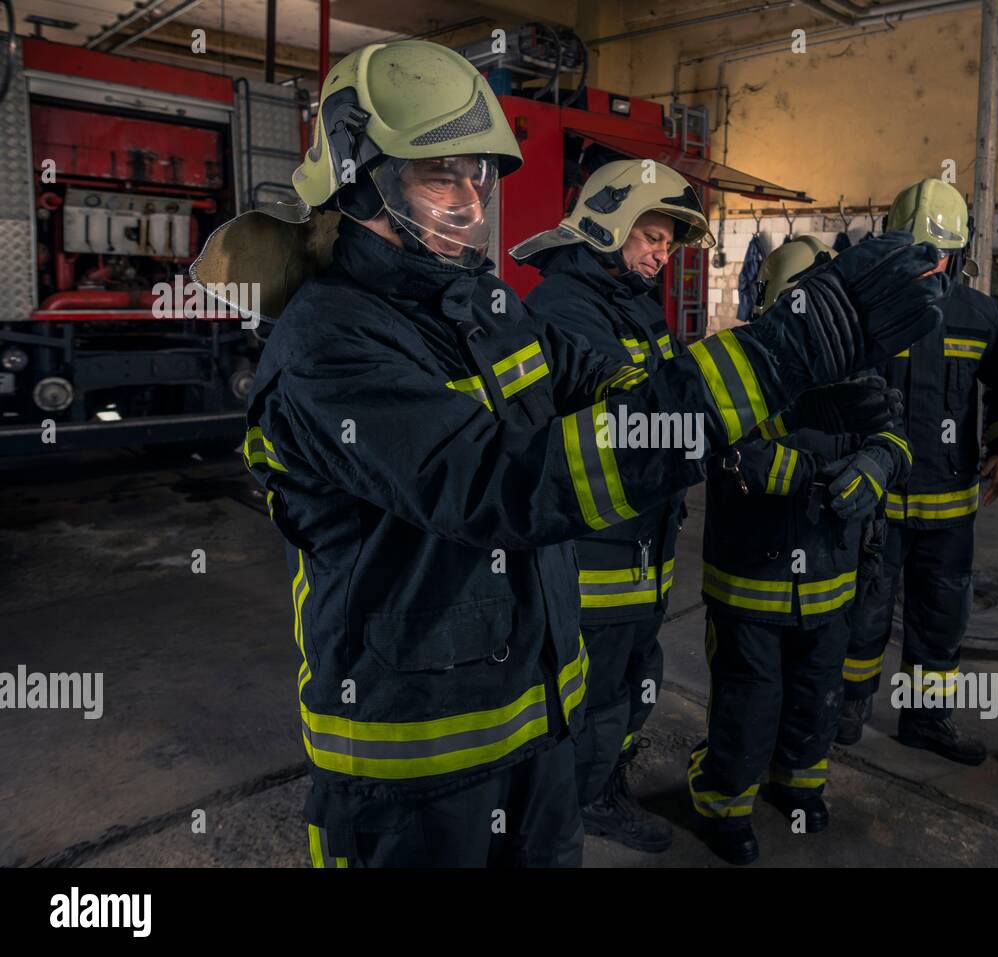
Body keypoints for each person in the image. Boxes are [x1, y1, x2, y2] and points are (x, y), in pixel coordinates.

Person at [236, 39, 949, 866]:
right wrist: (779, 355)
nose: (470, 200)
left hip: (538, 724)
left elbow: (615, 389)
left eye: (479, 176)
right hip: (416, 765)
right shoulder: (330, 342)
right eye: (441, 176)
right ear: (358, 179)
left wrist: (789, 382)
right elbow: (507, 482)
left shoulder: (485, 302)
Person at [687, 236, 912, 865]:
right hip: (748, 581)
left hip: (830, 581)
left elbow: (899, 438)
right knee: (747, 701)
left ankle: (800, 788)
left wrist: (875, 462)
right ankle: (724, 806)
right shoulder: (733, 358)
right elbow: (705, 438)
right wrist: (772, 465)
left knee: (817, 696)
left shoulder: (855, 366)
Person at [512, 159, 711, 853]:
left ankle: (601, 783)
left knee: (634, 682)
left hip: (641, 548)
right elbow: (631, 420)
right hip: (596, 555)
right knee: (595, 696)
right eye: (653, 236)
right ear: (607, 224)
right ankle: (584, 802)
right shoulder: (568, 307)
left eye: (668, 242)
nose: (663, 253)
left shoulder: (630, 302)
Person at [837, 178, 998, 763]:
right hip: (876, 506)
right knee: (863, 612)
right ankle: (849, 704)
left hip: (949, 510)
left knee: (940, 621)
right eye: (916, 250)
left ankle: (926, 719)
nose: (929, 263)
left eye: (939, 252)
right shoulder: (861, 310)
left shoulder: (982, 316)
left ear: (958, 253)